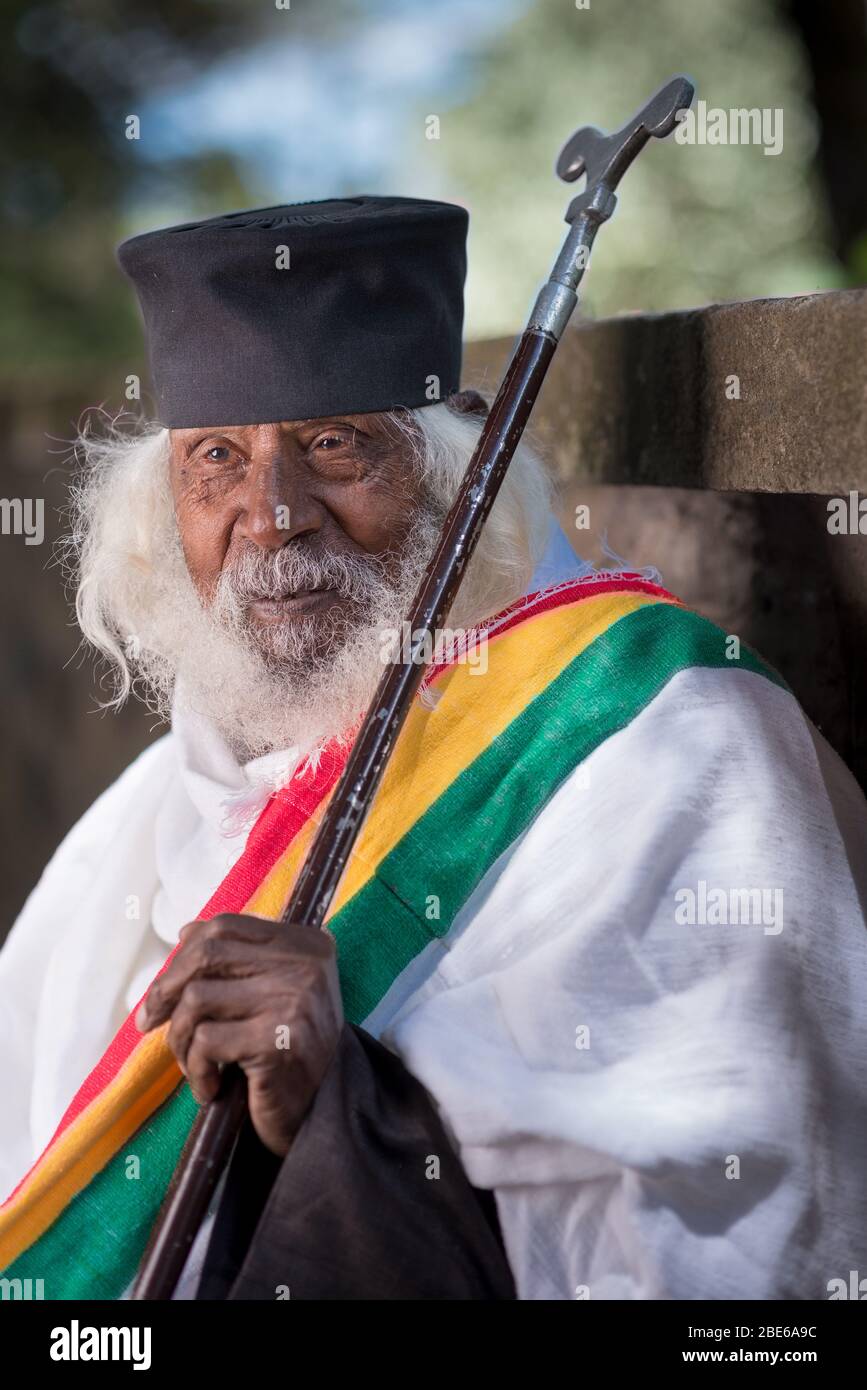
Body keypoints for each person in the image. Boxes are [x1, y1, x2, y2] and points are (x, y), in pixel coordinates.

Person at [1, 197, 866, 1302]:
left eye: (331, 443)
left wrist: (345, 1108)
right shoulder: (150, 804)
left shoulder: (666, 733)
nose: (274, 515)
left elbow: (747, 1261)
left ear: (456, 460)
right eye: (219, 456)